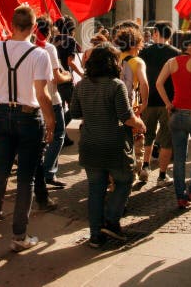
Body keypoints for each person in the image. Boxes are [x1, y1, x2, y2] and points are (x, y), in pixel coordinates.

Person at [0, 5, 55, 265]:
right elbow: (42, 93)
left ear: (12, 24)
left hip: (2, 113)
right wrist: (51, 120)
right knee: (25, 178)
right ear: (34, 27)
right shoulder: (39, 54)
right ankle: (19, 235)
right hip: (28, 116)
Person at [69, 43, 146, 247]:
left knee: (96, 189)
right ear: (113, 62)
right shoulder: (115, 85)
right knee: (125, 180)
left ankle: (96, 235)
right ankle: (111, 220)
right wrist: (140, 124)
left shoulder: (81, 85)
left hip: (90, 144)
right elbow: (126, 116)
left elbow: (75, 112)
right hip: (114, 145)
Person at [156, 31, 191, 208]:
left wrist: (168, 103)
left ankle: (181, 196)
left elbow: (158, 83)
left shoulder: (171, 62)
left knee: (179, 157)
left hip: (176, 114)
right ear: (189, 46)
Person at [34, 15, 73, 194]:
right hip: (51, 97)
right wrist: (68, 76)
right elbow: (56, 78)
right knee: (58, 135)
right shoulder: (48, 48)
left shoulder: (29, 46)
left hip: (34, 99)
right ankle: (48, 172)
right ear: (49, 30)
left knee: (41, 138)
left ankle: (42, 171)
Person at [138, 21, 179, 185]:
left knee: (147, 134)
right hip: (168, 101)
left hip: (148, 100)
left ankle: (145, 166)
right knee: (167, 139)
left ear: (155, 33)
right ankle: (162, 175)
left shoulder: (144, 52)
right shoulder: (176, 53)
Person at [114, 26, 149, 181]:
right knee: (137, 139)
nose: (142, 46)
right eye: (140, 43)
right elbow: (144, 83)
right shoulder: (137, 62)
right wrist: (144, 102)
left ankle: (115, 174)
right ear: (134, 44)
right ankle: (135, 170)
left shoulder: (114, 58)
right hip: (131, 107)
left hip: (113, 107)